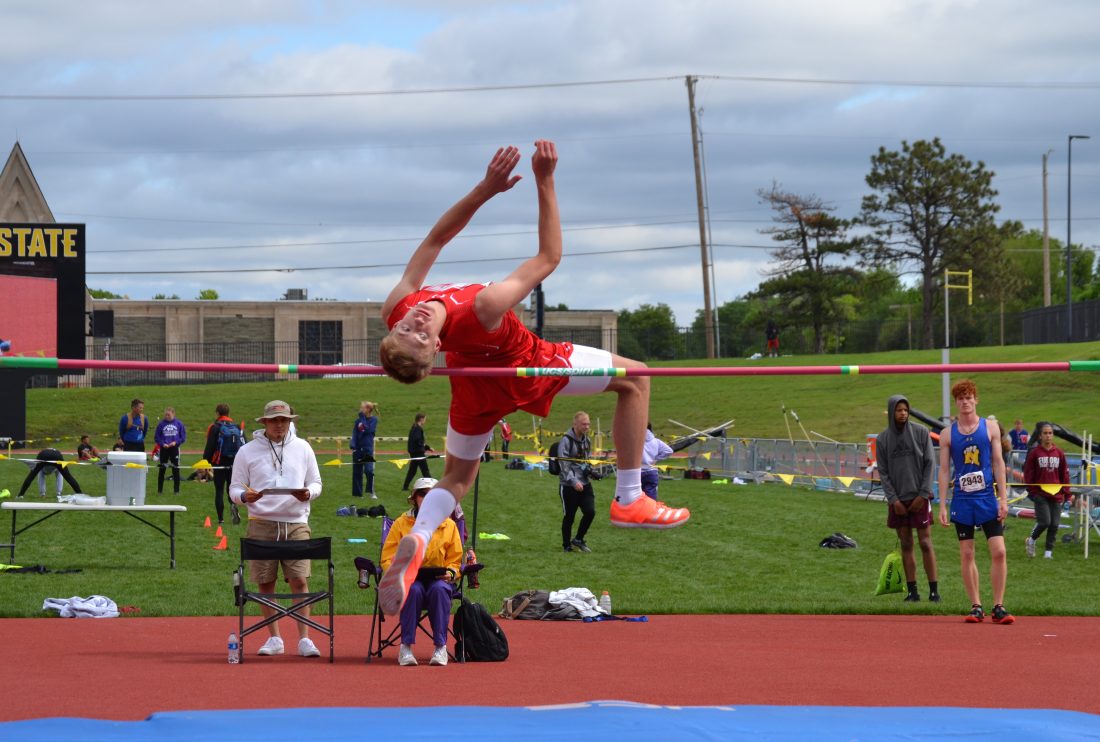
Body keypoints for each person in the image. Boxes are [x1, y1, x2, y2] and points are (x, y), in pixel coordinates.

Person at [375, 141, 689, 615]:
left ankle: (419, 537)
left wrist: (485, 189)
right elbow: (548, 258)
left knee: (458, 475)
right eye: (417, 335)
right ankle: (629, 497)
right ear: (435, 349)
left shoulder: (397, 305)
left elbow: (436, 239)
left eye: (406, 328)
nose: (414, 321)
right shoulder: (484, 308)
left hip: (473, 385)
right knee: (636, 377)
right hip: (531, 365)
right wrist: (545, 180)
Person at [229, 400, 323, 658]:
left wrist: (309, 493)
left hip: (296, 522)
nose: (279, 425)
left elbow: (316, 482)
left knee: (300, 580)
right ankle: (275, 638)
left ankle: (305, 639)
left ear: (290, 421)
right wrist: (245, 498)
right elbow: (235, 488)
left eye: (284, 420)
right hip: (261, 523)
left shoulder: (303, 448)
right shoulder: (247, 451)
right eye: (274, 420)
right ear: (265, 422)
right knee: (265, 582)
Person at [936, 379, 1014, 625]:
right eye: (961, 399)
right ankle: (976, 606)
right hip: (962, 499)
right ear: (956, 403)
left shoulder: (990, 427)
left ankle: (998, 606)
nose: (965, 402)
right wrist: (942, 504)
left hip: (987, 499)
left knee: (999, 551)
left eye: (969, 397)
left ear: (976, 400)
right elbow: (944, 470)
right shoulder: (948, 434)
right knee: (967, 553)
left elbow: (999, 464)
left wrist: (1003, 498)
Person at [381, 476, 463, 667]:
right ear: (414, 498)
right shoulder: (401, 524)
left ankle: (440, 647)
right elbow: (387, 558)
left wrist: (451, 573)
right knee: (413, 590)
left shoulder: (449, 525)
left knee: (439, 590)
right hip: (409, 580)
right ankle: (406, 648)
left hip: (439, 580)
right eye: (423, 494)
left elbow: (455, 559)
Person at [876, 395, 940, 602]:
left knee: (925, 543)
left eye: (905, 410)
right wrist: (894, 500)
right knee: (905, 543)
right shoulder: (883, 439)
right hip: (898, 501)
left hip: (919, 497)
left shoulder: (921, 433)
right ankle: (913, 591)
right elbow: (883, 472)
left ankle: (934, 591)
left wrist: (923, 494)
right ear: (892, 412)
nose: (903, 413)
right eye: (899, 410)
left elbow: (930, 463)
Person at [1022, 423, 1072, 560]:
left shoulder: (1059, 453)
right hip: (1040, 494)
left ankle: (1048, 553)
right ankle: (1031, 540)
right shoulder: (1035, 453)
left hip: (1056, 494)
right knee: (1045, 522)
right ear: (1040, 436)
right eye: (1045, 433)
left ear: (1053, 435)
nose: (1048, 435)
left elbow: (1065, 475)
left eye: (1050, 433)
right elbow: (1028, 473)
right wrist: (1032, 491)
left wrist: (1067, 494)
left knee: (1054, 524)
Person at [558, 411, 597, 553]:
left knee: (590, 511)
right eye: (584, 424)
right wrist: (574, 481)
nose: (587, 427)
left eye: (588, 424)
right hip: (568, 485)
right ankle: (566, 545)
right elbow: (564, 464)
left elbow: (585, 461)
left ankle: (579, 539)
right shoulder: (566, 440)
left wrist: (591, 471)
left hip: (585, 483)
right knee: (569, 516)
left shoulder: (587, 440)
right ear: (575, 424)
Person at [203, 403, 244, 525]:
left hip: (219, 462)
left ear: (217, 413)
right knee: (231, 488)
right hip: (234, 462)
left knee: (219, 490)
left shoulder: (215, 427)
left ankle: (220, 519)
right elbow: (244, 444)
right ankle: (233, 506)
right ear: (228, 414)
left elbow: (210, 446)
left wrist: (206, 462)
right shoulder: (236, 427)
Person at [17, 448, 83, 498]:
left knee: (31, 476)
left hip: (43, 456)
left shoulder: (43, 452)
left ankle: (20, 495)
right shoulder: (57, 452)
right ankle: (80, 494)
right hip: (57, 456)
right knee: (68, 477)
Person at [153, 407, 186, 495]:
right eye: (165, 415)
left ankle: (176, 491)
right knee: (162, 469)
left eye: (169, 415)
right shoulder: (161, 424)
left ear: (173, 414)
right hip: (164, 449)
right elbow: (156, 437)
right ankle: (160, 491)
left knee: (175, 469)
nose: (167, 416)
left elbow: (183, 437)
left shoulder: (179, 424)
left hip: (174, 449)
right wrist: (162, 444)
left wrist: (176, 442)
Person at [350, 401, 378, 499]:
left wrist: (362, 418)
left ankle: (371, 492)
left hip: (368, 450)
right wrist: (352, 445)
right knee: (357, 472)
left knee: (369, 471)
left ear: (368, 409)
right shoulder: (358, 421)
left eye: (363, 408)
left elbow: (367, 430)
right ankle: (358, 494)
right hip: (358, 450)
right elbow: (355, 434)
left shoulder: (374, 420)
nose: (361, 409)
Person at [641, 423, 673, 501]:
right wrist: (656, 459)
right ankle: (650, 512)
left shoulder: (635, 440)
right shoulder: (656, 441)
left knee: (635, 499)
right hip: (651, 471)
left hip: (637, 472)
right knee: (651, 499)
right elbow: (669, 451)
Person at [401, 413, 433, 491]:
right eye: (424, 419)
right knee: (425, 470)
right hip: (418, 453)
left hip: (414, 452)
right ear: (421, 419)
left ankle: (405, 487)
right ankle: (432, 487)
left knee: (412, 470)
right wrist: (424, 448)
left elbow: (418, 441)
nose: (425, 421)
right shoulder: (418, 428)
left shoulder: (414, 427)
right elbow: (418, 440)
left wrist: (427, 448)